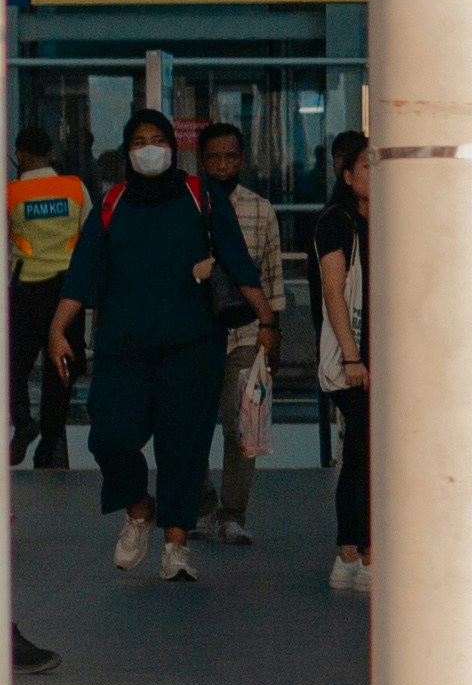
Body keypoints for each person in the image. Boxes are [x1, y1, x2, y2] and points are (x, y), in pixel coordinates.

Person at [48, 108, 256, 584]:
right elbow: (82, 272)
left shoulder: (200, 195)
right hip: (124, 346)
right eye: (139, 141)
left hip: (192, 344)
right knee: (109, 435)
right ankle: (140, 507)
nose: (149, 149)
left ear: (173, 147)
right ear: (126, 150)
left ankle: (176, 546)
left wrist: (268, 323)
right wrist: (58, 329)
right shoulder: (112, 203)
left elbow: (241, 265)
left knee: (184, 445)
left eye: (158, 139)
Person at [192, 123, 284, 548]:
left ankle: (232, 514)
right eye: (214, 157)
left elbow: (272, 276)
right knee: (192, 424)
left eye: (230, 157)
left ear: (242, 160)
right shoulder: (188, 205)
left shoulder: (261, 210)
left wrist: (271, 330)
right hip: (196, 332)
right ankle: (203, 506)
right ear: (201, 160)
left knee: (243, 424)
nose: (222, 165)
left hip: (247, 332)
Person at [316, 134, 372, 590]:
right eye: (369, 166)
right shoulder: (337, 222)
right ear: (348, 176)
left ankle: (356, 554)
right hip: (354, 357)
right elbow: (333, 292)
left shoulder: (395, 219)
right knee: (364, 452)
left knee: (366, 451)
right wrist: (353, 357)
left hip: (388, 355)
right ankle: (358, 554)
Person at [10, 130, 82, 467]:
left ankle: (24, 422)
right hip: (68, 293)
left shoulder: (12, 194)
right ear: (51, 153)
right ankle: (50, 444)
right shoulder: (74, 188)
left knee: (12, 366)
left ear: (20, 155)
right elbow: (90, 235)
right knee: (60, 370)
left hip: (27, 289)